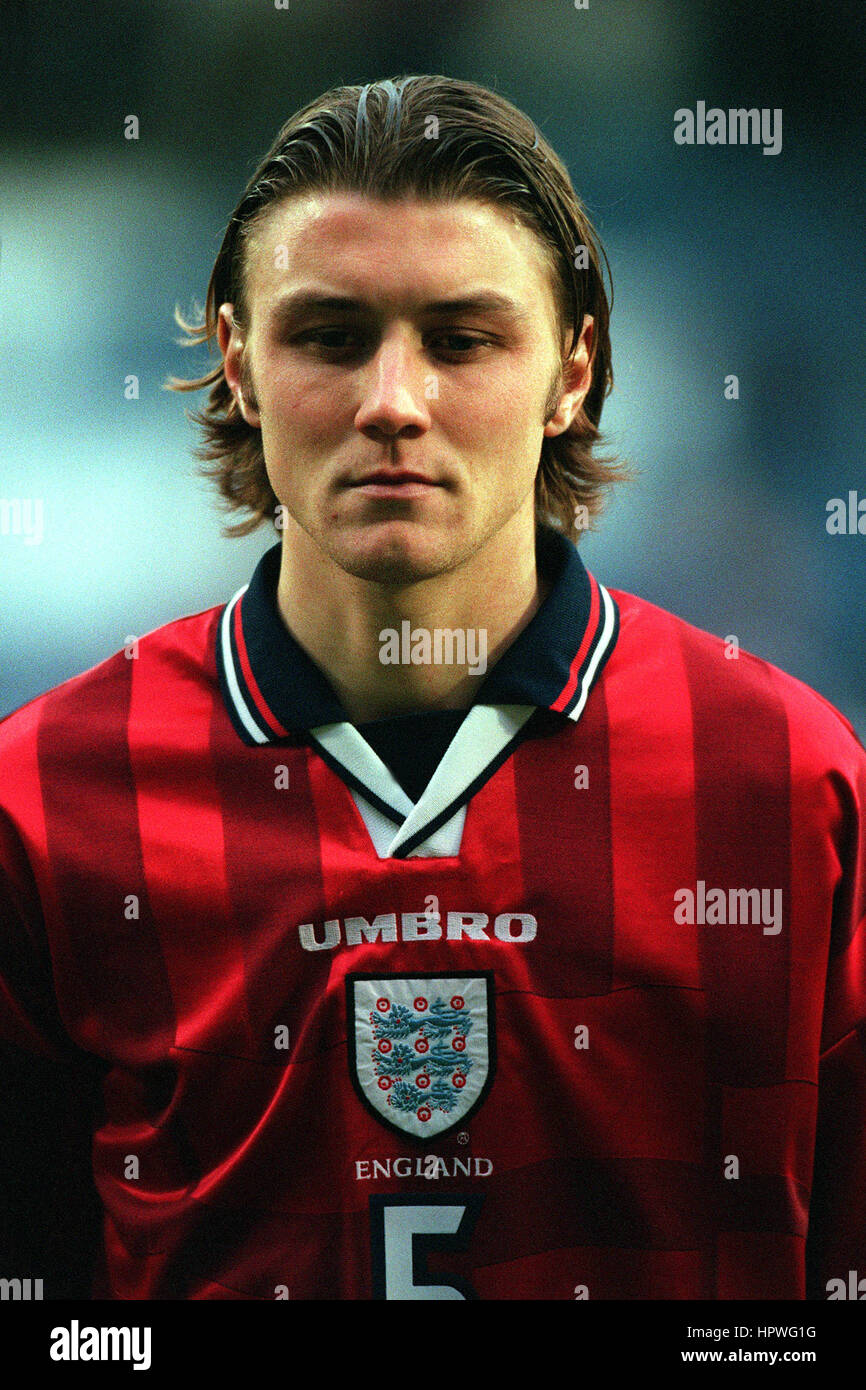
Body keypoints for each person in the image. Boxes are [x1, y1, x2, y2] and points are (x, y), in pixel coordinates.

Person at [1, 74, 863, 1302]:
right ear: (239, 368)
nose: (392, 403)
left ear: (574, 373)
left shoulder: (781, 779)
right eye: (329, 338)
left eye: (461, 340)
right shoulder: (43, 799)